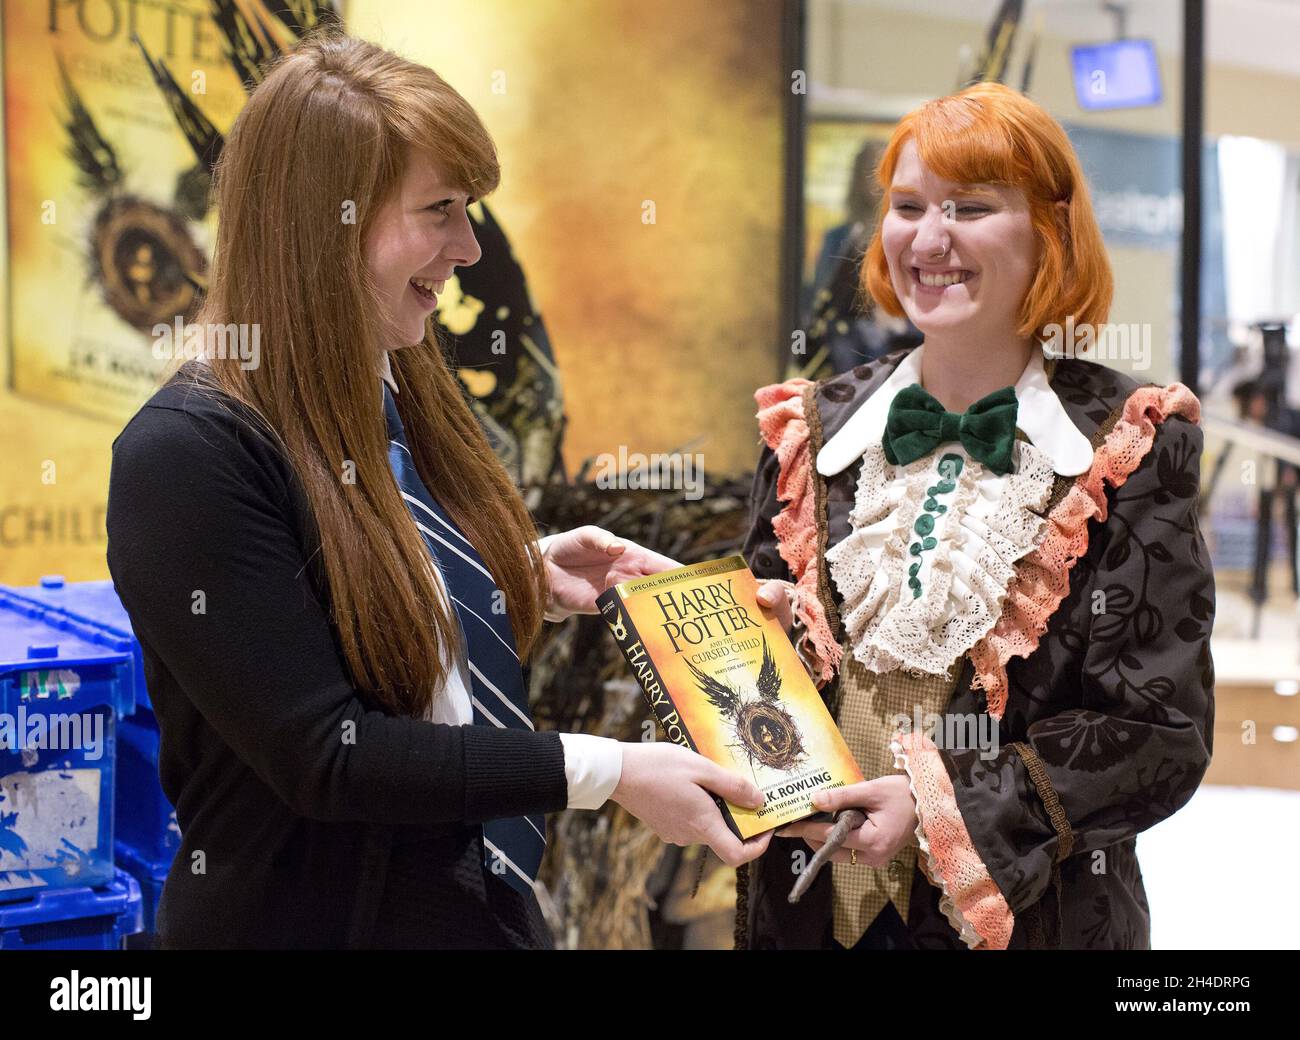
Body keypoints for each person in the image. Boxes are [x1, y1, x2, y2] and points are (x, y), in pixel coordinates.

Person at [105, 30, 769, 951]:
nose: (465, 247)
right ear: (323, 223)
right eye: (440, 210)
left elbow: (358, 597)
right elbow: (330, 754)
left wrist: (513, 575)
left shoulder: (397, 379)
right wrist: (605, 770)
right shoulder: (185, 457)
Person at [743, 81, 1214, 950]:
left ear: (1049, 231)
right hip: (804, 914)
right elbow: (756, 682)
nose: (929, 238)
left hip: (1032, 923)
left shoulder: (1130, 446)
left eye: (970, 207)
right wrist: (685, 616)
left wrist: (935, 809)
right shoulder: (808, 433)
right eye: (908, 206)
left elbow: (1157, 735)